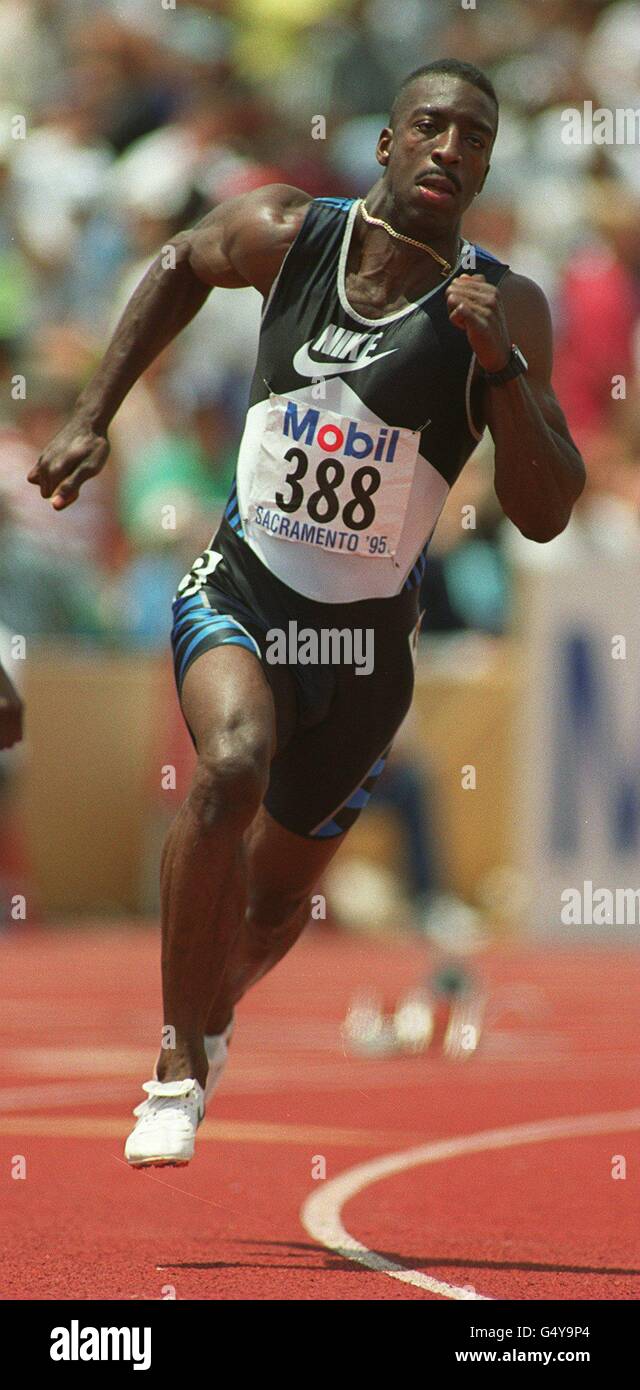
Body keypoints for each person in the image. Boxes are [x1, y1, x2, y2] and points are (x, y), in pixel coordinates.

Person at [28, 59, 585, 1166]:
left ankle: (210, 1003)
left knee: (275, 910)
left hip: (367, 647)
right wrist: (95, 414)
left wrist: (503, 369)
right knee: (230, 767)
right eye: (426, 126)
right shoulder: (292, 233)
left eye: (472, 137)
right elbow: (182, 260)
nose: (449, 149)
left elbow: (546, 510)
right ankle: (179, 1057)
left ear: (485, 163)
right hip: (240, 589)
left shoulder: (502, 302)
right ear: (384, 144)